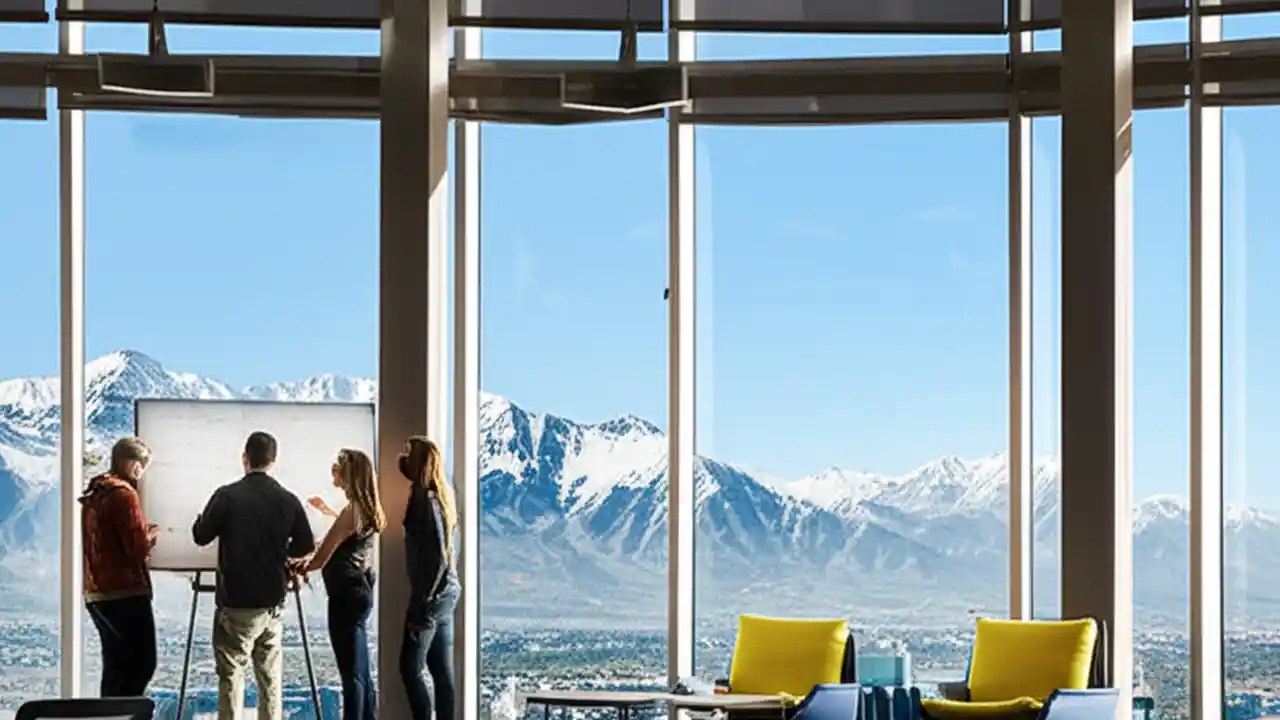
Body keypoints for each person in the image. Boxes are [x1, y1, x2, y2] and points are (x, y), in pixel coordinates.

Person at [192, 431, 315, 720]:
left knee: (231, 676)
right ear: (274, 462)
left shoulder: (227, 495)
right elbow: (306, 545)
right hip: (272, 605)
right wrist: (284, 558)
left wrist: (201, 517)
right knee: (270, 679)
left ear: (244, 458)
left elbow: (200, 536)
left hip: (234, 603)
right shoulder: (288, 500)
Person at [296, 449, 385, 720]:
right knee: (361, 672)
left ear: (349, 475)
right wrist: (326, 511)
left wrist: (299, 565)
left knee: (351, 674)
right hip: (360, 591)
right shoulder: (365, 509)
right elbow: (344, 537)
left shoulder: (351, 512)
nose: (333, 470)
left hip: (345, 596)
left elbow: (322, 558)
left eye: (338, 467)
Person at [80, 436, 160, 697]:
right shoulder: (124, 494)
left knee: (115, 668)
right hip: (125, 591)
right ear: (131, 463)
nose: (141, 473)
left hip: (97, 592)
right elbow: (136, 549)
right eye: (141, 465)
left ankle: (109, 715)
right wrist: (149, 536)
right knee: (142, 664)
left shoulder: (95, 493)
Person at [398, 436, 461, 720]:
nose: (402, 457)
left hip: (431, 597)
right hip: (446, 594)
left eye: (407, 453)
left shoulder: (425, 499)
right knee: (440, 670)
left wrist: (424, 601)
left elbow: (437, 557)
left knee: (410, 668)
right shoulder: (441, 497)